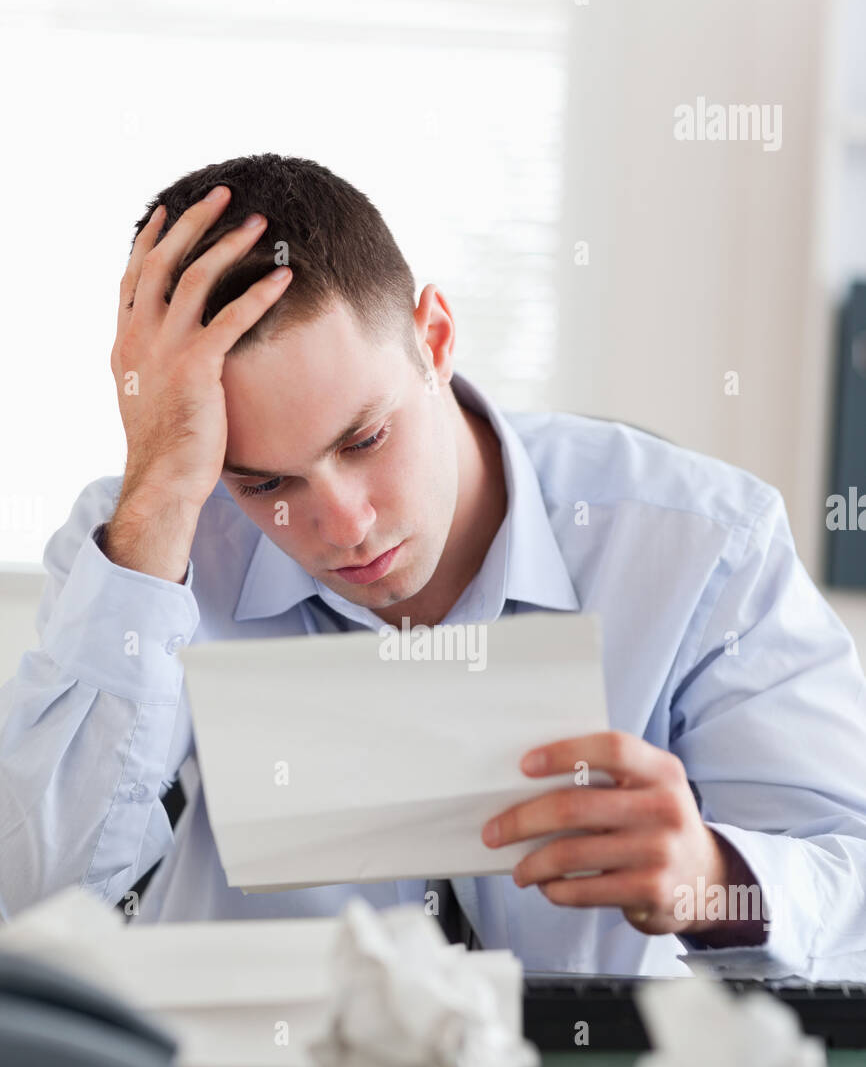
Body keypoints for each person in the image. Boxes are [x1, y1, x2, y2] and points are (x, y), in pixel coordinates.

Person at [1, 152, 865, 980]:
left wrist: (715, 877)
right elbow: (30, 904)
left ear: (436, 337)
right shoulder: (151, 537)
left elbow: (851, 898)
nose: (345, 524)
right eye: (265, 481)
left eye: (366, 438)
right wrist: (159, 504)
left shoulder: (707, 545)